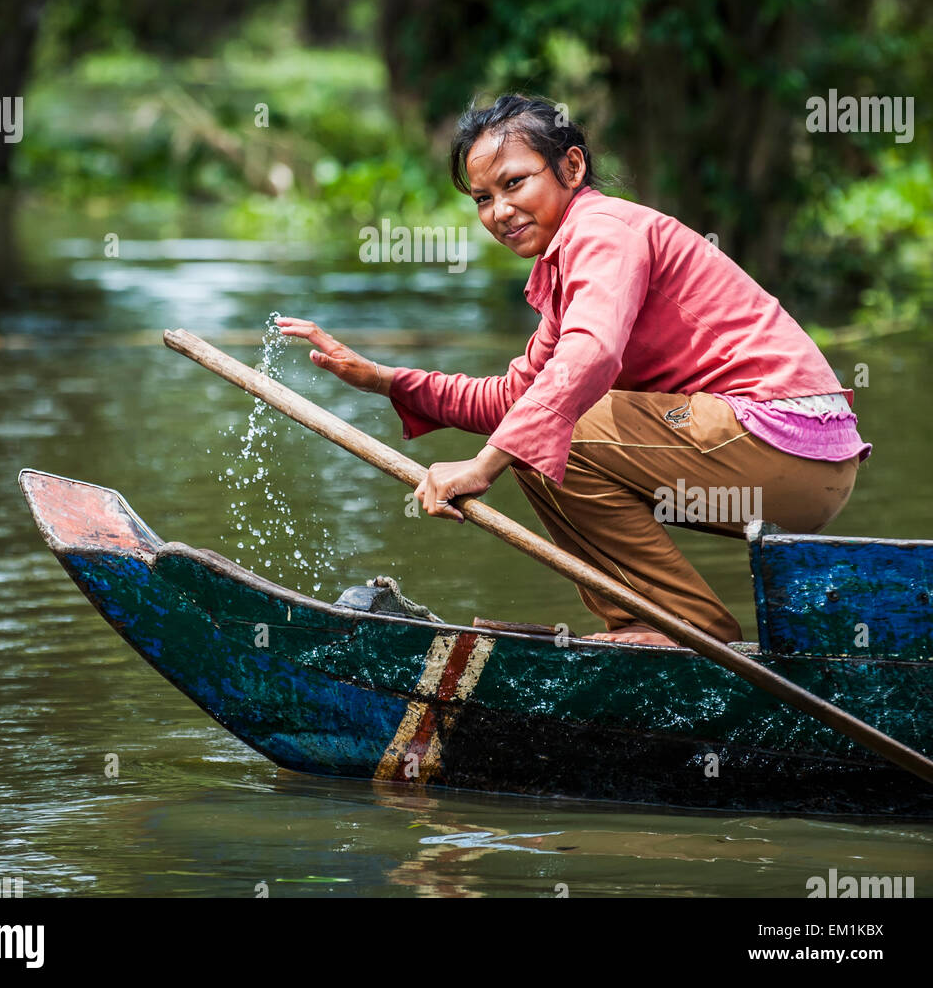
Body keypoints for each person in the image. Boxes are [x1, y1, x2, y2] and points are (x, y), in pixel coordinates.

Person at [277, 94, 870, 647]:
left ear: (572, 167)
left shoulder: (602, 230)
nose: (500, 212)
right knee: (537, 423)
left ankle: (679, 627)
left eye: (514, 184)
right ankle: (673, 626)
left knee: (549, 434)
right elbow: (517, 398)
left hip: (783, 444)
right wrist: (382, 379)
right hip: (793, 466)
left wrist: (484, 465)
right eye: (483, 199)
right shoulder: (570, 263)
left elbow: (588, 359)